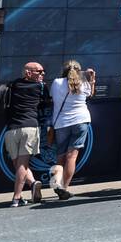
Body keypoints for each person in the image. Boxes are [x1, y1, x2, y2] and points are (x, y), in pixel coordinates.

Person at [0, 62, 48, 207]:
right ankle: (17, 197)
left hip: (11, 129)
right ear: (28, 72)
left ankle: (32, 184)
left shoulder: (13, 85)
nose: (42, 74)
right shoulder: (41, 87)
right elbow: (46, 103)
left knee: (17, 163)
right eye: (39, 71)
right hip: (30, 128)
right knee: (22, 165)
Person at [46, 60, 94, 200]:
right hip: (81, 120)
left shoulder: (56, 82)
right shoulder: (84, 82)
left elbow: (52, 98)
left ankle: (57, 185)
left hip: (61, 123)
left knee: (60, 158)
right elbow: (90, 95)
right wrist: (92, 79)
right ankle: (64, 187)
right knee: (71, 157)